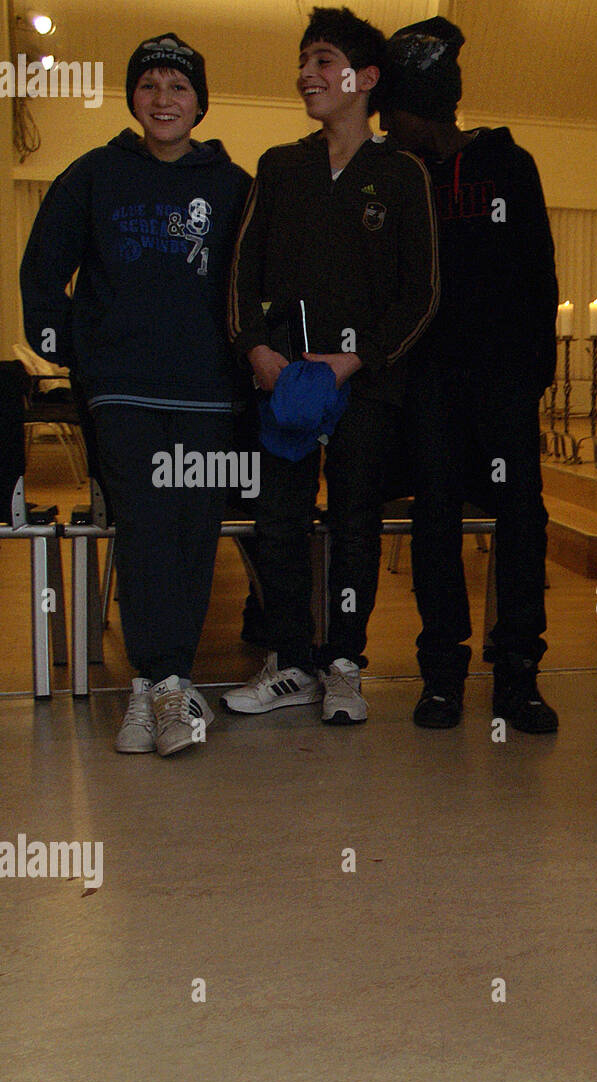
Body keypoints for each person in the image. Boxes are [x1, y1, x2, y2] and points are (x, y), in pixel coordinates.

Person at [21, 34, 250, 757]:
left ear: (198, 102)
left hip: (209, 393)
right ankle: (156, 685)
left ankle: (168, 682)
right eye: (149, 85)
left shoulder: (233, 185)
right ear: (133, 98)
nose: (162, 99)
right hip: (122, 391)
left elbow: (259, 280)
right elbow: (41, 273)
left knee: (192, 533)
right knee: (146, 525)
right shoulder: (94, 175)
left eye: (177, 88)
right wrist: (75, 358)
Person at [224, 6, 437, 725]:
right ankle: (291, 662)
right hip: (284, 385)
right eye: (304, 61)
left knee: (353, 524)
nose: (306, 74)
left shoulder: (402, 175)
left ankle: (344, 662)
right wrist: (259, 352)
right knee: (278, 521)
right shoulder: (280, 168)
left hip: (365, 386)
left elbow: (423, 293)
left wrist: (355, 360)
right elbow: (240, 275)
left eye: (321, 60)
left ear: (364, 78)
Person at [379, 18, 559, 734]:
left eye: (393, 112)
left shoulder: (508, 166)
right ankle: (442, 676)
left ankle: (518, 675)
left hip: (504, 385)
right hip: (428, 385)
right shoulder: (398, 172)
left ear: (421, 108)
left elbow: (538, 271)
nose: (386, 126)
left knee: (522, 522)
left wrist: (533, 374)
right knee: (435, 521)